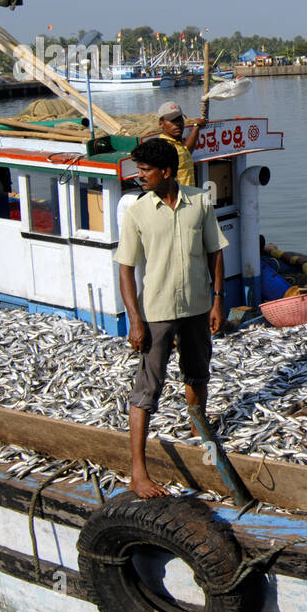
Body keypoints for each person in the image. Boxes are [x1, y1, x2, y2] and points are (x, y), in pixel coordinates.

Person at [114, 137, 228, 498]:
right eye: (139, 170)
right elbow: (126, 269)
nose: (140, 177)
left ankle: (199, 438)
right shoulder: (137, 211)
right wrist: (135, 319)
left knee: (197, 373)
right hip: (158, 313)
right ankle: (138, 472)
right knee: (147, 388)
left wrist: (217, 301)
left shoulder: (200, 201)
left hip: (196, 308)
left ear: (166, 172)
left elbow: (215, 253)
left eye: (145, 171)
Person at [153, 100, 208, 186]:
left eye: (179, 119)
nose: (177, 124)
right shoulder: (164, 147)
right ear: (161, 124)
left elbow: (187, 151)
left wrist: (196, 127)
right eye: (172, 121)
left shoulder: (178, 143)